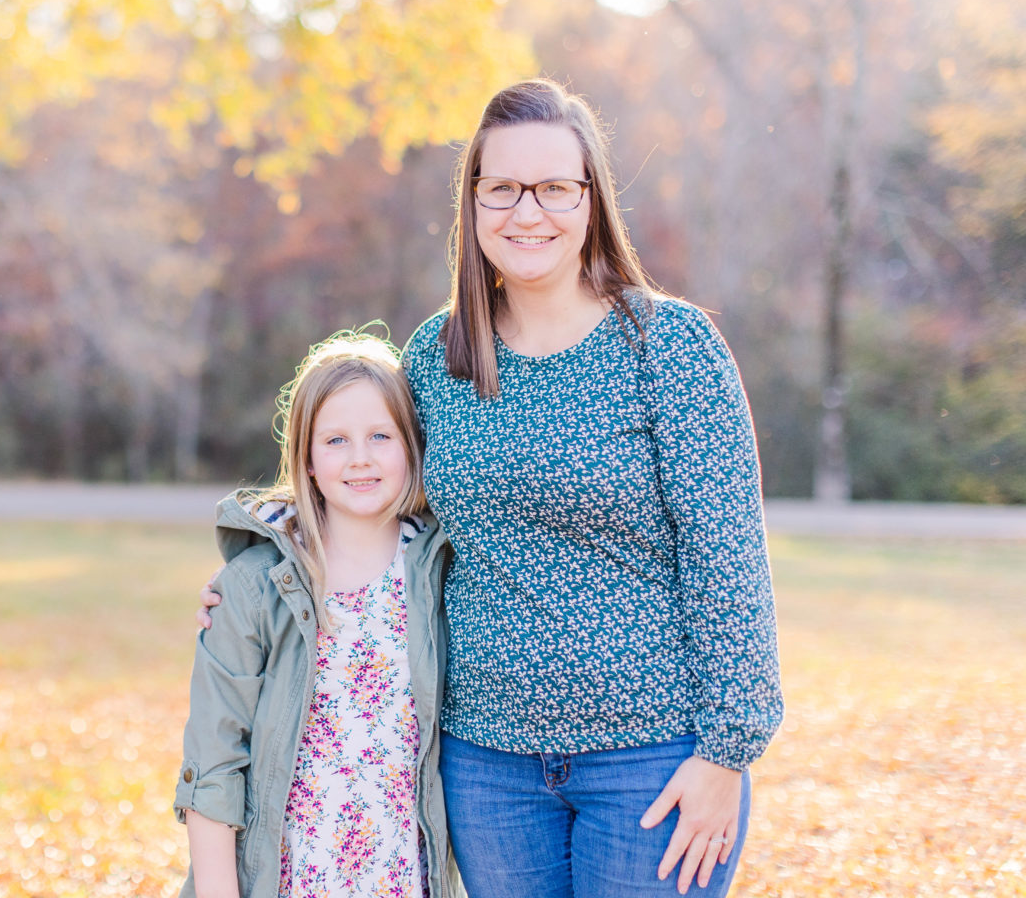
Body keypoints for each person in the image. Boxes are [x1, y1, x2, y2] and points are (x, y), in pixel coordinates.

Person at [201, 79, 782, 898]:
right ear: (473, 202)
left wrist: (728, 754)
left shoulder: (670, 346)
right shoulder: (443, 354)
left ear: (591, 200)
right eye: (502, 188)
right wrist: (265, 563)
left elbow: (729, 560)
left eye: (553, 188)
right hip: (485, 766)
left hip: (651, 759)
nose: (527, 212)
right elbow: (367, 476)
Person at [174, 332, 459, 898]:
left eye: (381, 435)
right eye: (335, 440)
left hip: (403, 877)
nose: (360, 458)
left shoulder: (442, 572)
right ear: (305, 457)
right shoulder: (257, 588)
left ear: (413, 446)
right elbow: (214, 763)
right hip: (290, 877)